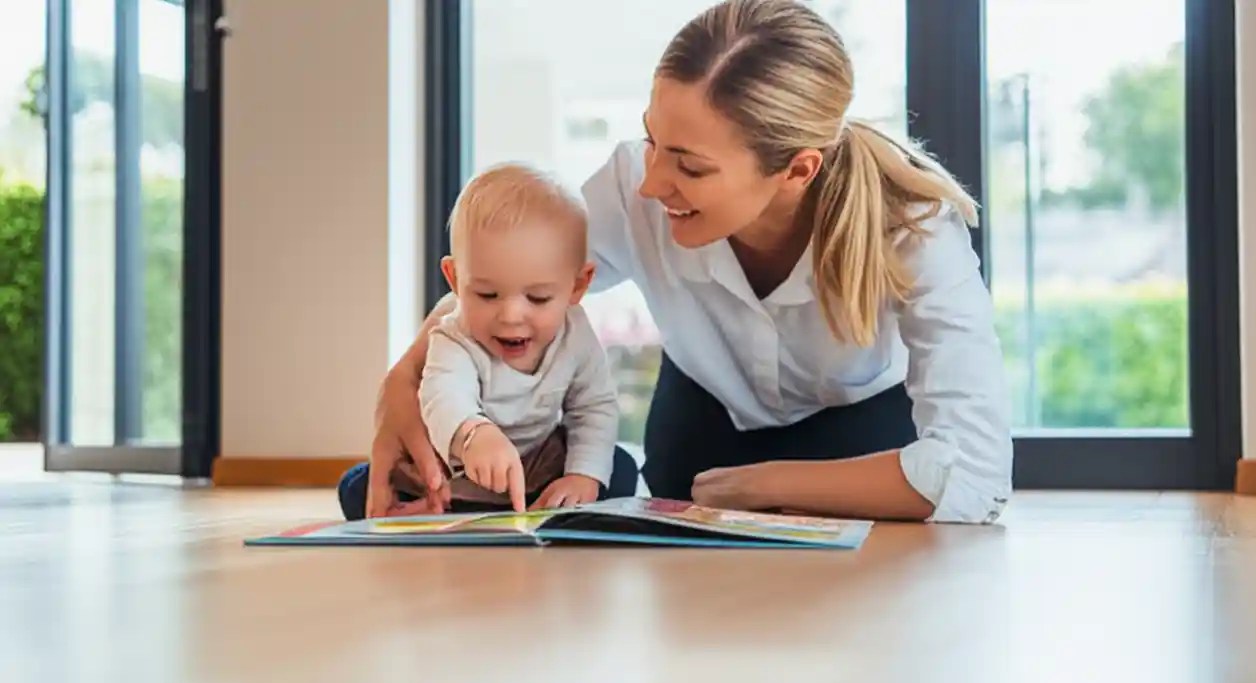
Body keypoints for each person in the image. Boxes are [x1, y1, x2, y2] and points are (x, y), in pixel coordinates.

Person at [360, 0, 1012, 524]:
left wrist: (770, 485)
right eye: (652, 141)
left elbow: (976, 474)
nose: (650, 183)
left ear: (796, 170)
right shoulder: (630, 187)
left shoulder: (913, 226)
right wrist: (405, 378)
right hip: (700, 439)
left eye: (690, 166)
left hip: (860, 445)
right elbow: (515, 287)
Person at [337, 164, 636, 520]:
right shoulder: (454, 333)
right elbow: (443, 393)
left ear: (577, 285)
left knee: (618, 469)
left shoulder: (578, 336)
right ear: (454, 278)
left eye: (538, 298)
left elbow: (594, 406)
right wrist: (471, 435)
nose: (510, 315)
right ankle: (452, 503)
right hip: (457, 468)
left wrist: (581, 475)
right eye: (486, 294)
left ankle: (533, 500)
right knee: (359, 490)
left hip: (537, 463)